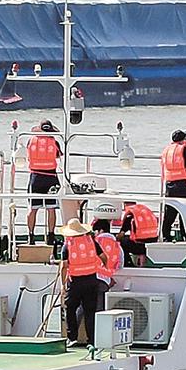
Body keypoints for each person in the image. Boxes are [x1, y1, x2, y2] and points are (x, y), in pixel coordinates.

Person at [59, 218, 106, 346]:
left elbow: (64, 266)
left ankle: (72, 337)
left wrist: (63, 284)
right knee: (90, 311)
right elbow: (103, 256)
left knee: (70, 308)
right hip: (91, 279)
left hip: (75, 281)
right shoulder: (91, 242)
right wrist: (104, 267)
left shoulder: (67, 245)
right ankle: (91, 340)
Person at [24, 120, 63, 243]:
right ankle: (51, 236)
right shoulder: (54, 142)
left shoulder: (31, 141)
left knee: (32, 208)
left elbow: (28, 155)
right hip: (51, 177)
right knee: (51, 209)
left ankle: (30, 237)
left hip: (35, 177)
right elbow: (58, 155)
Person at [161, 130, 186, 241]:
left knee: (170, 213)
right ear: (184, 140)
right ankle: (185, 236)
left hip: (169, 185)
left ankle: (166, 237)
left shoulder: (166, 150)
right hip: (183, 185)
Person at [91, 217, 123, 317]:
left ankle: (72, 331)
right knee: (100, 312)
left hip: (90, 279)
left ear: (100, 230)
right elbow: (120, 264)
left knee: (84, 309)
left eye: (95, 231)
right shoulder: (117, 245)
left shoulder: (93, 243)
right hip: (105, 282)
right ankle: (99, 331)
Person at [120, 199, 160, 266]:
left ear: (125, 206)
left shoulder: (129, 217)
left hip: (138, 246)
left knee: (122, 242)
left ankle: (128, 263)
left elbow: (121, 234)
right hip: (152, 245)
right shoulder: (145, 213)